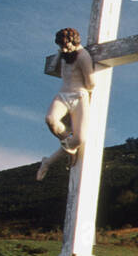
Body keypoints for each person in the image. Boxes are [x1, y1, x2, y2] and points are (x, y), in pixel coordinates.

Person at [36, 28, 95, 180]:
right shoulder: (62, 54)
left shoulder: (83, 56)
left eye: (65, 45)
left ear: (74, 41)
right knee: (51, 119)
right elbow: (54, 65)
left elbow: (91, 83)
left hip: (79, 97)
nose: (63, 49)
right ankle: (70, 149)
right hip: (63, 95)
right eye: (60, 46)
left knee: (79, 139)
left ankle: (48, 162)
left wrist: (81, 92)